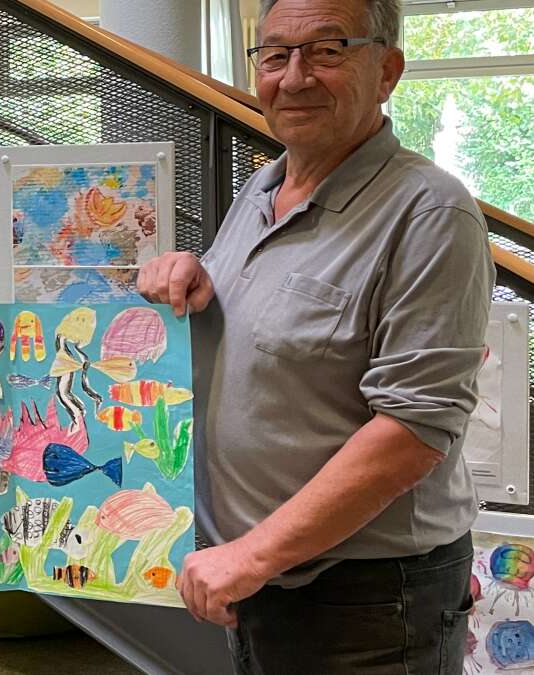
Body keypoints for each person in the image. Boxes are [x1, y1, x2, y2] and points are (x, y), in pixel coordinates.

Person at [137, 0, 493, 671]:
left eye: (327, 50)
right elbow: (257, 327)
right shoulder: (260, 190)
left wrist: (252, 552)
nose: (294, 76)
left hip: (365, 602)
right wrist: (187, 271)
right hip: (261, 581)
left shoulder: (432, 213)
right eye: (274, 54)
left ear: (387, 71)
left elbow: (412, 432)